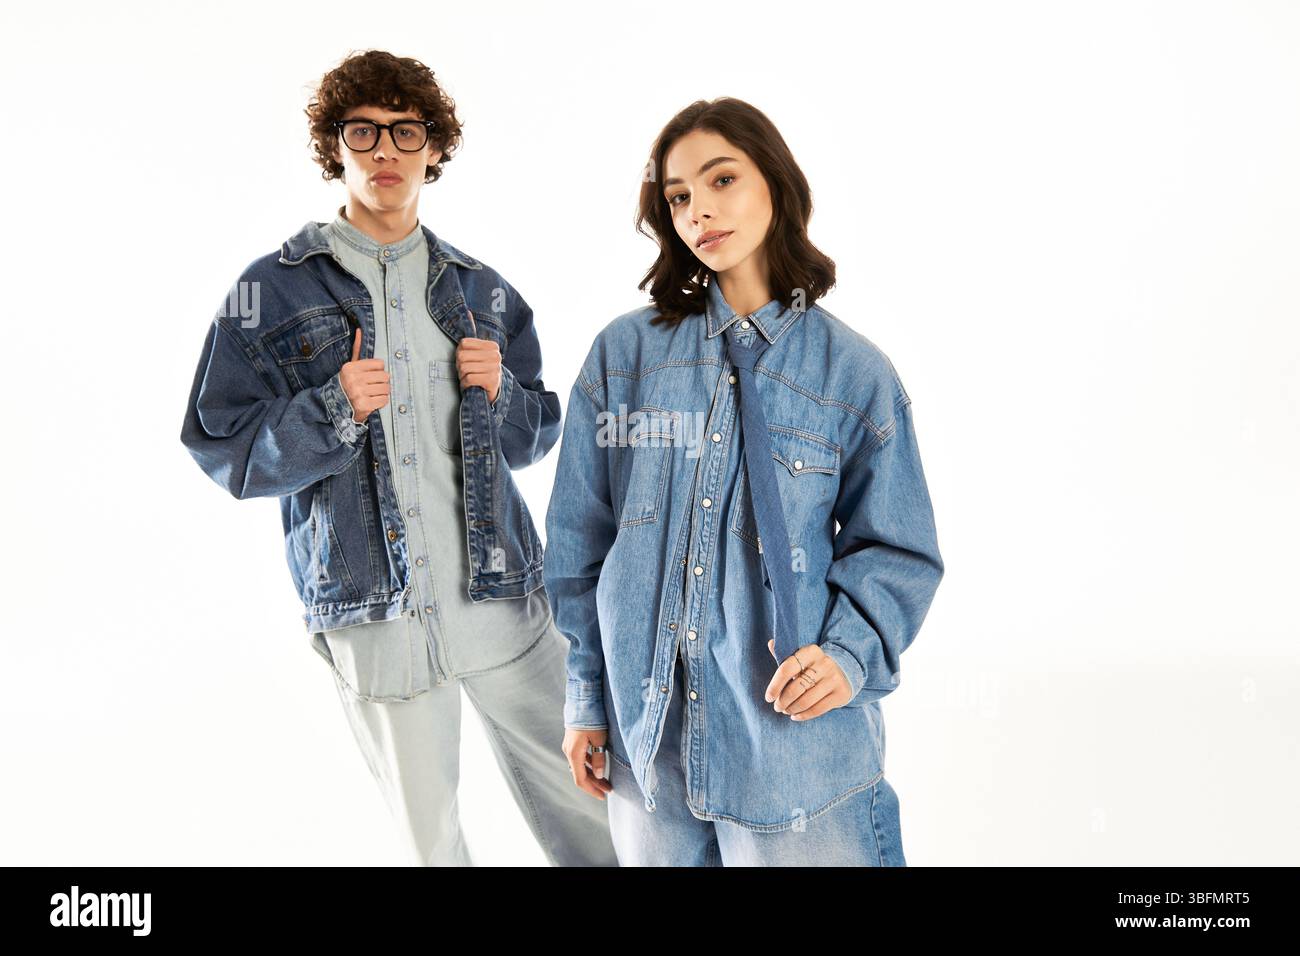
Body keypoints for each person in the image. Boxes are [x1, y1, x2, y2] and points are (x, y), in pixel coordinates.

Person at [180, 49, 616, 867]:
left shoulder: (481, 291)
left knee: (594, 810)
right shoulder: (271, 291)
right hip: (375, 616)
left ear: (434, 147)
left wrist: (504, 396)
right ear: (334, 146)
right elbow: (222, 445)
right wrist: (331, 409)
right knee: (430, 843)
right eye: (364, 131)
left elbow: (534, 437)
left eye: (405, 131)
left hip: (502, 601)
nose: (385, 150)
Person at [543, 97, 944, 866]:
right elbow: (578, 547)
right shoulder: (624, 359)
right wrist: (586, 698)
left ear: (776, 184)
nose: (699, 210)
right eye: (678, 197)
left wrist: (849, 655)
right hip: (649, 764)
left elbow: (899, 550)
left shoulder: (854, 375)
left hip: (798, 765)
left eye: (721, 179)